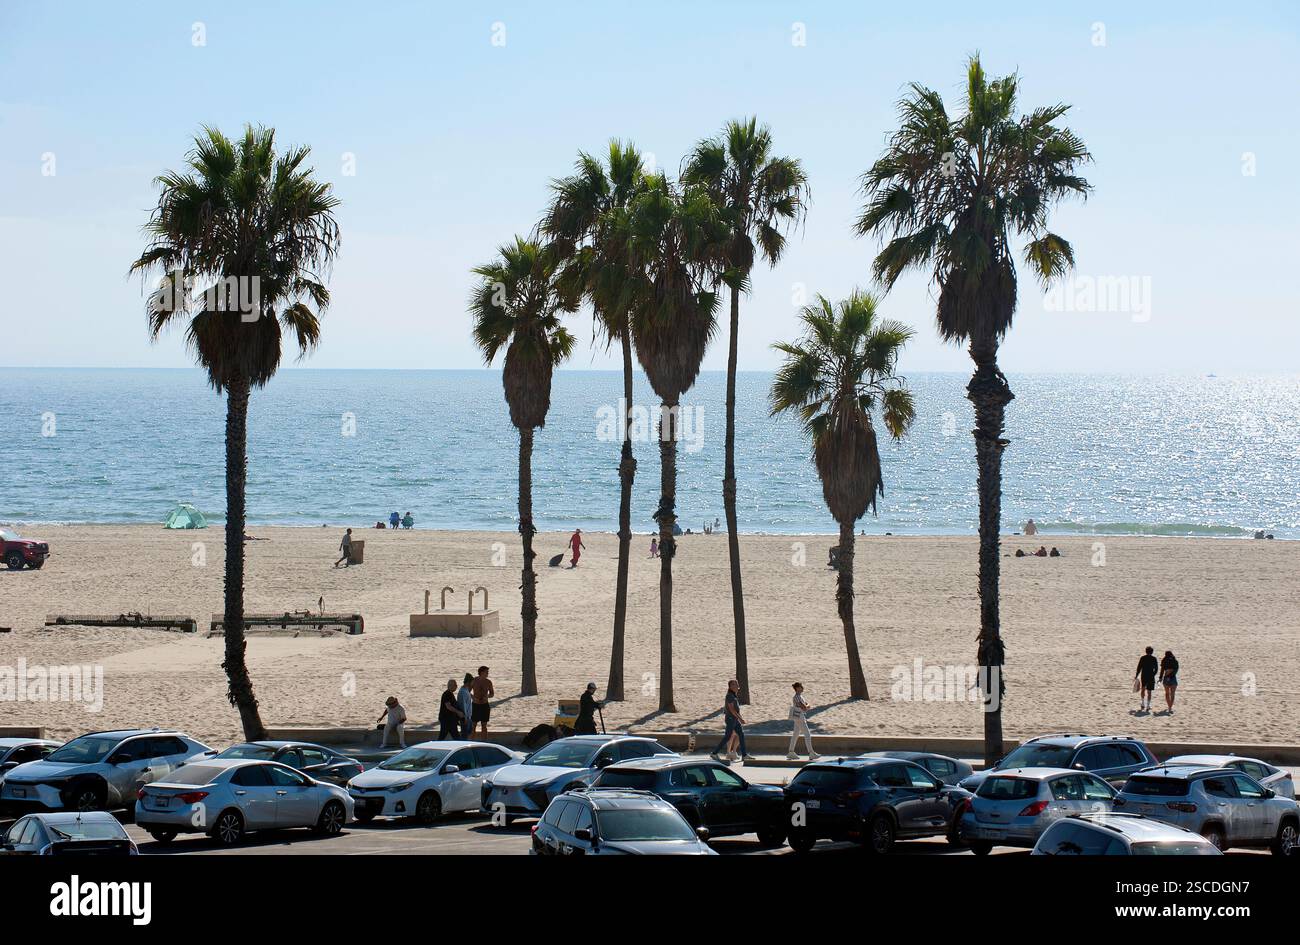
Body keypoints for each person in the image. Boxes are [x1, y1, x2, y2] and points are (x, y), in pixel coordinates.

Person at [710, 680, 752, 763]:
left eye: (736, 684)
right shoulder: (730, 696)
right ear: (730, 687)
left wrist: (738, 718)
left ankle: (744, 755)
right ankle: (714, 753)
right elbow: (731, 709)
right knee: (728, 736)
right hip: (731, 719)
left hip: (734, 719)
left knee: (741, 735)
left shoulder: (733, 695)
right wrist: (740, 718)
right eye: (733, 684)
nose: (736, 685)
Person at [786, 682, 820, 761]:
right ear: (797, 688)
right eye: (801, 687)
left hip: (798, 717)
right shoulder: (797, 697)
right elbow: (805, 707)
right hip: (800, 717)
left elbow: (805, 706)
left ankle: (791, 752)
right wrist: (808, 705)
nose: (802, 688)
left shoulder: (800, 696)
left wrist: (807, 705)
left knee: (795, 734)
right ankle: (811, 753)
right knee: (807, 734)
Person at [469, 666, 494, 737]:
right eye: (486, 672)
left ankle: (484, 742)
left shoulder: (488, 682)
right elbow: (467, 691)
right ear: (482, 672)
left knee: (484, 725)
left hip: (484, 705)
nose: (487, 673)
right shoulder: (474, 680)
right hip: (475, 705)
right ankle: (472, 742)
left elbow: (492, 693)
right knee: (473, 725)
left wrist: (487, 696)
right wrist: (473, 698)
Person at [1134, 646, 1159, 712]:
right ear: (1152, 652)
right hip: (1150, 676)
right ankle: (1148, 705)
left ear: (1146, 651)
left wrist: (1136, 675)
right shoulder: (1154, 658)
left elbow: (1139, 667)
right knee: (1149, 691)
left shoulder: (1143, 658)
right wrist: (1153, 674)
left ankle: (1142, 703)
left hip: (1144, 675)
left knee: (1143, 689)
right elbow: (1156, 669)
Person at [457, 673, 475, 738]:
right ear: (468, 682)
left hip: (468, 717)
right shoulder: (463, 692)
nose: (473, 684)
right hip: (465, 718)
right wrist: (465, 718)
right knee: (464, 736)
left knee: (468, 733)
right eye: (472, 682)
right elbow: (463, 705)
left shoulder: (466, 690)